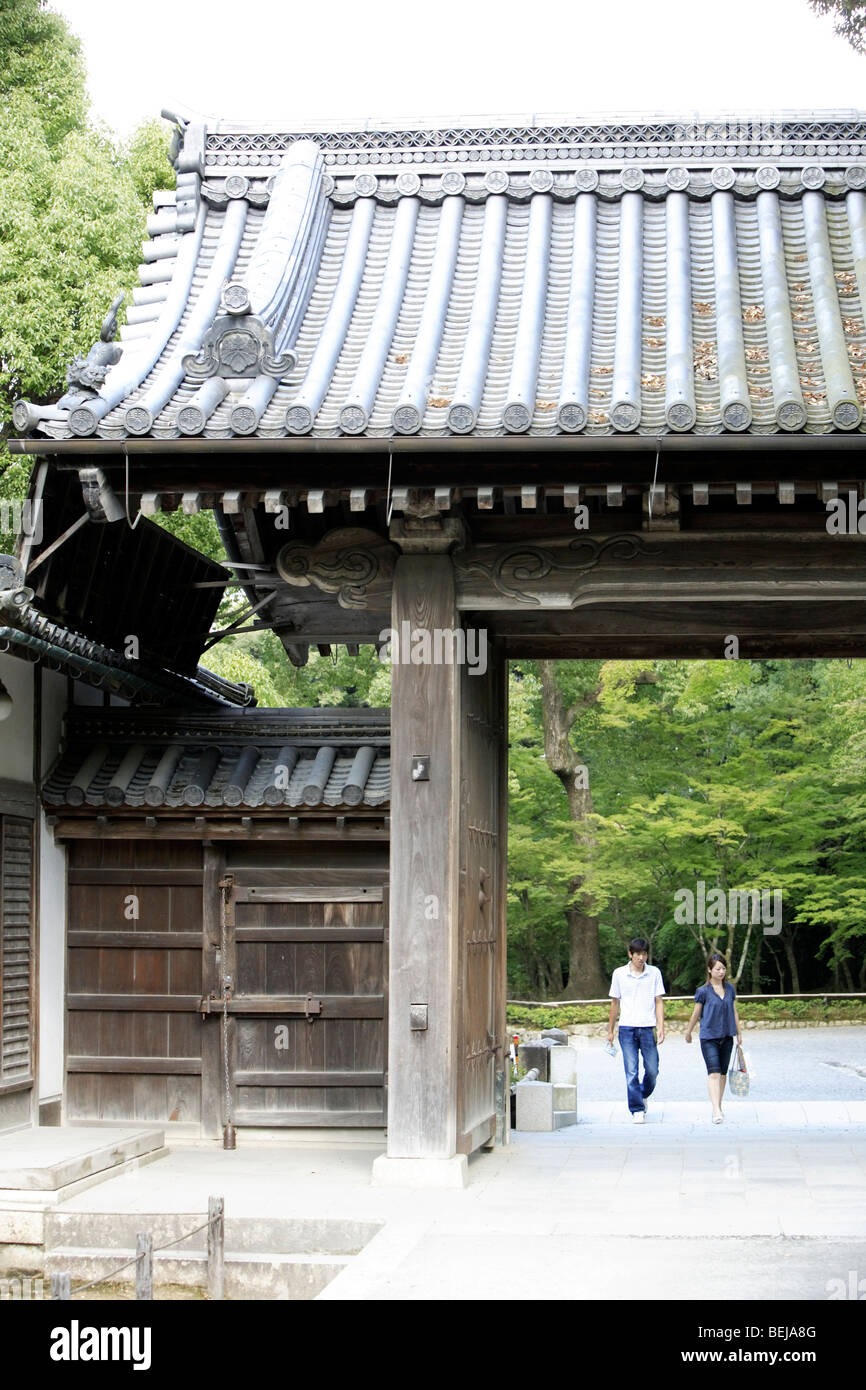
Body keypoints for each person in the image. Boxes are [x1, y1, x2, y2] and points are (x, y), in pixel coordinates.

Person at [607, 938, 666, 1124]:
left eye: (644, 953)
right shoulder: (619, 974)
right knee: (631, 1071)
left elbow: (658, 1001)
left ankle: (641, 1094)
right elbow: (614, 1003)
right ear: (630, 954)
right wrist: (610, 1030)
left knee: (653, 1069)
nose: (641, 957)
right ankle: (637, 1109)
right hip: (627, 1028)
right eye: (638, 954)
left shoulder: (654, 972)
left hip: (648, 1027)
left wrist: (661, 1026)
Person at [684, 951, 743, 1124]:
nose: (721, 971)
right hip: (708, 1037)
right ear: (709, 970)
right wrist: (688, 1031)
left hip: (727, 1035)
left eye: (723, 968)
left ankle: (718, 1104)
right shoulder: (703, 991)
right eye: (718, 968)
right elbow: (696, 1013)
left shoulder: (730, 989)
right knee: (714, 1072)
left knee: (723, 1073)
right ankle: (716, 1110)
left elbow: (734, 1011)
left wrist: (739, 1033)